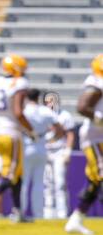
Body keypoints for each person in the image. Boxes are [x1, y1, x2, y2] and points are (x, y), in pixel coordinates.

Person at [0, 54, 32, 221]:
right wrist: (31, 130)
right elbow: (18, 112)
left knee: (17, 171)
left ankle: (17, 211)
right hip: (11, 133)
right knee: (10, 173)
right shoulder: (19, 83)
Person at [65, 54, 103, 235]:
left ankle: (75, 219)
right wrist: (100, 120)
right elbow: (82, 107)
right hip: (94, 138)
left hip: (99, 138)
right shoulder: (96, 83)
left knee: (94, 181)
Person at [19, 88, 59, 223]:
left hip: (25, 145)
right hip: (41, 145)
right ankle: (39, 213)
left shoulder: (23, 110)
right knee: (38, 183)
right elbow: (59, 129)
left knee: (23, 182)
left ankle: (20, 211)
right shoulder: (45, 110)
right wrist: (51, 138)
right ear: (38, 97)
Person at [43, 91, 75, 220]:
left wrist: (68, 151)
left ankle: (62, 212)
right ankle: (48, 212)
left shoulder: (64, 115)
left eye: (52, 100)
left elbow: (70, 134)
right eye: (47, 101)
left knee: (60, 182)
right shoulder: (42, 114)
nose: (50, 103)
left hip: (59, 151)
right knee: (47, 183)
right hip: (45, 151)